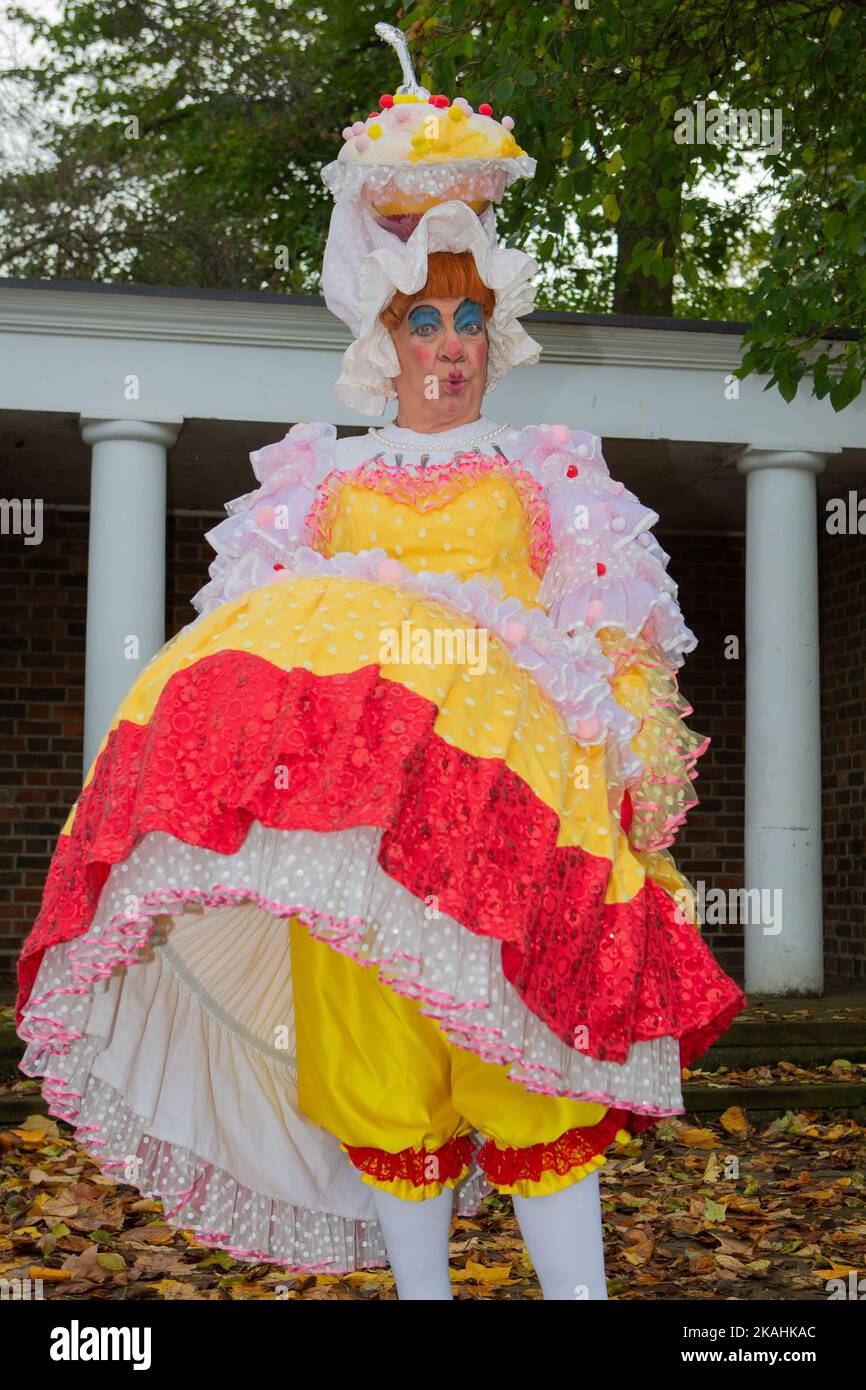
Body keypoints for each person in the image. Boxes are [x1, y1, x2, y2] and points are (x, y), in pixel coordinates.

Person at [13, 28, 746, 1301]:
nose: (449, 343)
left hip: (503, 833)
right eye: (423, 319)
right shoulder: (315, 481)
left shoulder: (550, 473)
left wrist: (636, 798)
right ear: (385, 334)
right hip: (348, 855)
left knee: (526, 1088)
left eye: (468, 316)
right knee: (384, 1098)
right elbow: (240, 658)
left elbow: (615, 646)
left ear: (493, 328)